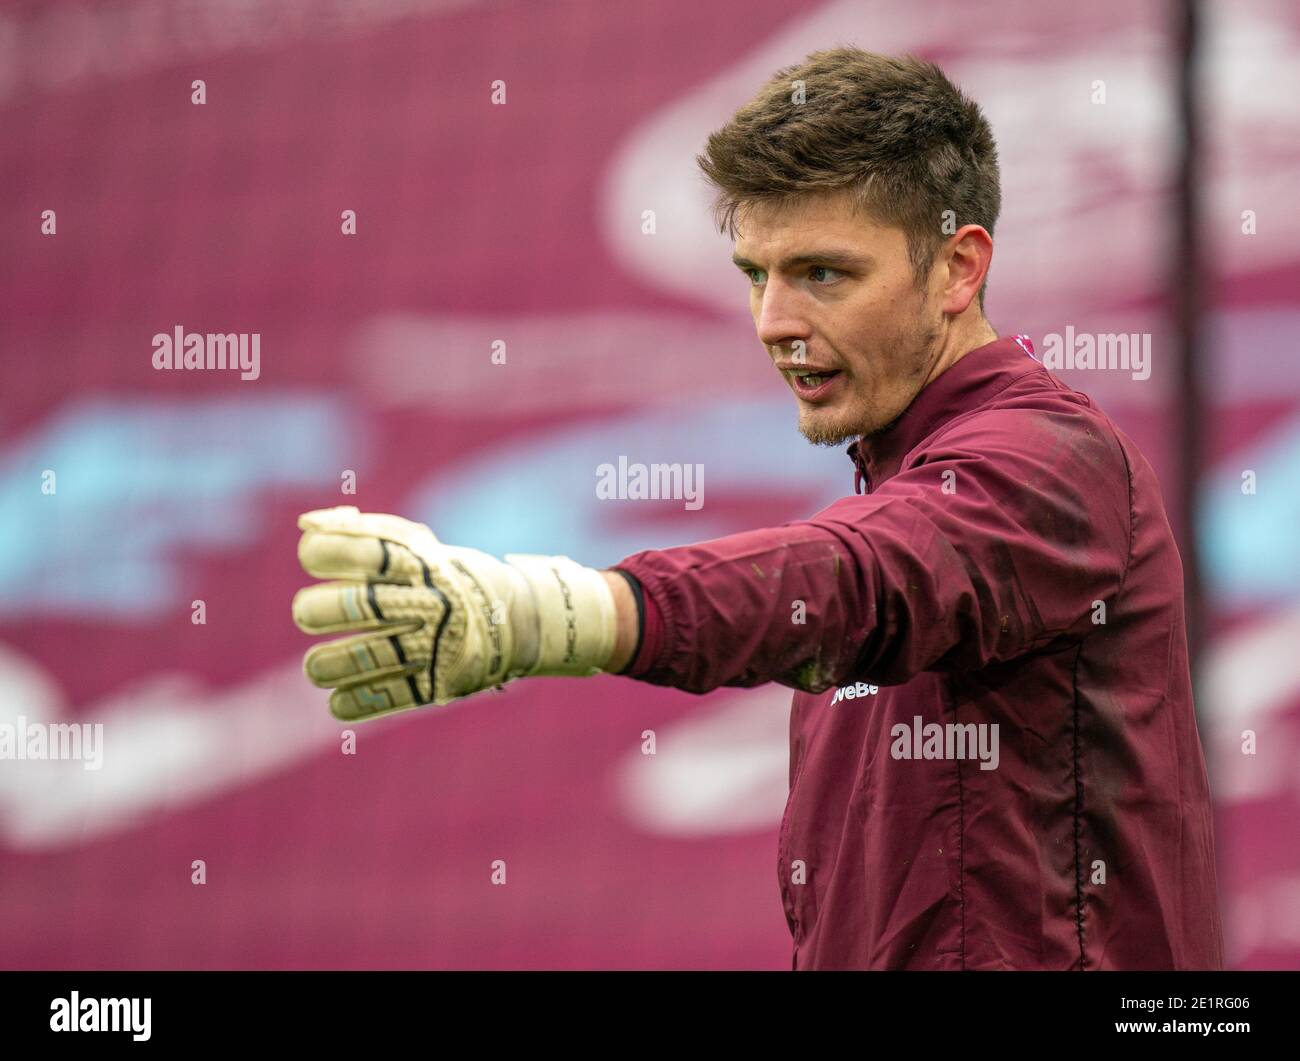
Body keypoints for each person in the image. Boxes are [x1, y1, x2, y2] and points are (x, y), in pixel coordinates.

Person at [291, 47, 1224, 970]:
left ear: (957, 269)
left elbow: (855, 576)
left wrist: (552, 613)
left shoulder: (1051, 464)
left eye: (823, 273)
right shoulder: (897, 493)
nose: (774, 320)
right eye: (755, 274)